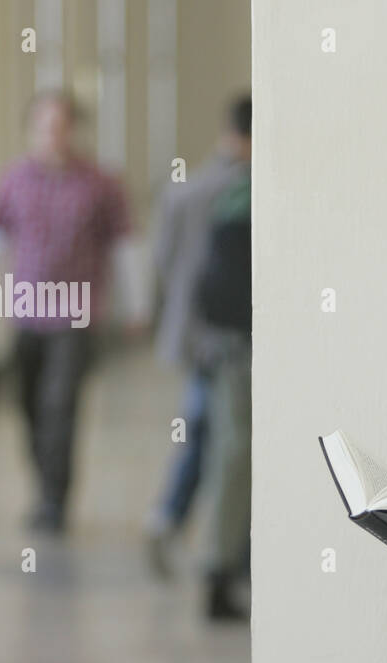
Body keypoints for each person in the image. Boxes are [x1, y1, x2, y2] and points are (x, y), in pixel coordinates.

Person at [0, 89, 143, 533]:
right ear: (32, 129)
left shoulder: (100, 183)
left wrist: (137, 306)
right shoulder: (12, 181)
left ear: (73, 130)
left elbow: (125, 246)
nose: (53, 135)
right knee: (29, 404)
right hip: (26, 313)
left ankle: (55, 501)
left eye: (61, 126)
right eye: (45, 126)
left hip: (77, 315)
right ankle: (44, 482)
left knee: (60, 405)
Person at [145, 94, 252, 576]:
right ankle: (221, 549)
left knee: (205, 430)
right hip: (224, 338)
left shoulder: (185, 186)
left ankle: (168, 520)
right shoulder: (242, 189)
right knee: (222, 437)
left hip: (191, 332)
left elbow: (162, 261)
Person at [194, 156, 251, 620]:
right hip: (239, 353)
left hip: (231, 349)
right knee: (231, 455)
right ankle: (219, 569)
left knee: (228, 455)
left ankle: (225, 565)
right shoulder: (242, 201)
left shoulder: (238, 197)